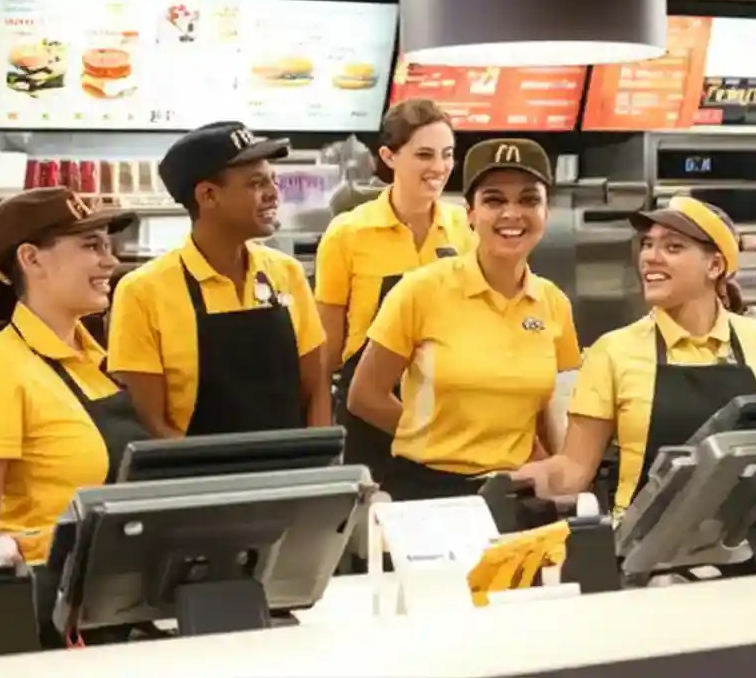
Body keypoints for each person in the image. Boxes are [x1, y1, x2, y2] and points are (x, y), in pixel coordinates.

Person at [515, 196, 756, 513]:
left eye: (672, 247)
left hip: (743, 543)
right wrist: (516, 479)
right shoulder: (613, 351)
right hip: (640, 547)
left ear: (715, 266)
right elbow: (574, 469)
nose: (650, 257)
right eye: (647, 244)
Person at [347, 138, 581, 500]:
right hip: (428, 490)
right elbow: (364, 396)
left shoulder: (554, 303)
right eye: (494, 200)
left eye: (529, 199)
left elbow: (552, 415)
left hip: (516, 493)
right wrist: (434, 438)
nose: (512, 213)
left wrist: (560, 475)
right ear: (469, 212)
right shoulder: (420, 290)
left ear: (547, 212)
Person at [0, 187, 149, 563]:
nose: (110, 262)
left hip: (114, 590)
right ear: (31, 259)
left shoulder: (97, 361)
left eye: (108, 246)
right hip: (42, 601)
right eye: (91, 246)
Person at [107, 122, 328, 436]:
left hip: (290, 472)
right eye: (256, 184)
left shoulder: (287, 272)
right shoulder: (142, 292)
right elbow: (151, 423)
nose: (273, 194)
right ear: (208, 195)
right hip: (197, 476)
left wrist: (318, 463)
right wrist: (210, 477)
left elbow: (316, 389)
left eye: (273, 181)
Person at [316, 99, 475, 482]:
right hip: (369, 414)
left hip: (448, 411)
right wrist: (321, 437)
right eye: (424, 155)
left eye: (447, 154)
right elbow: (327, 351)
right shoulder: (348, 233)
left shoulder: (466, 227)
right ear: (389, 156)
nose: (439, 167)